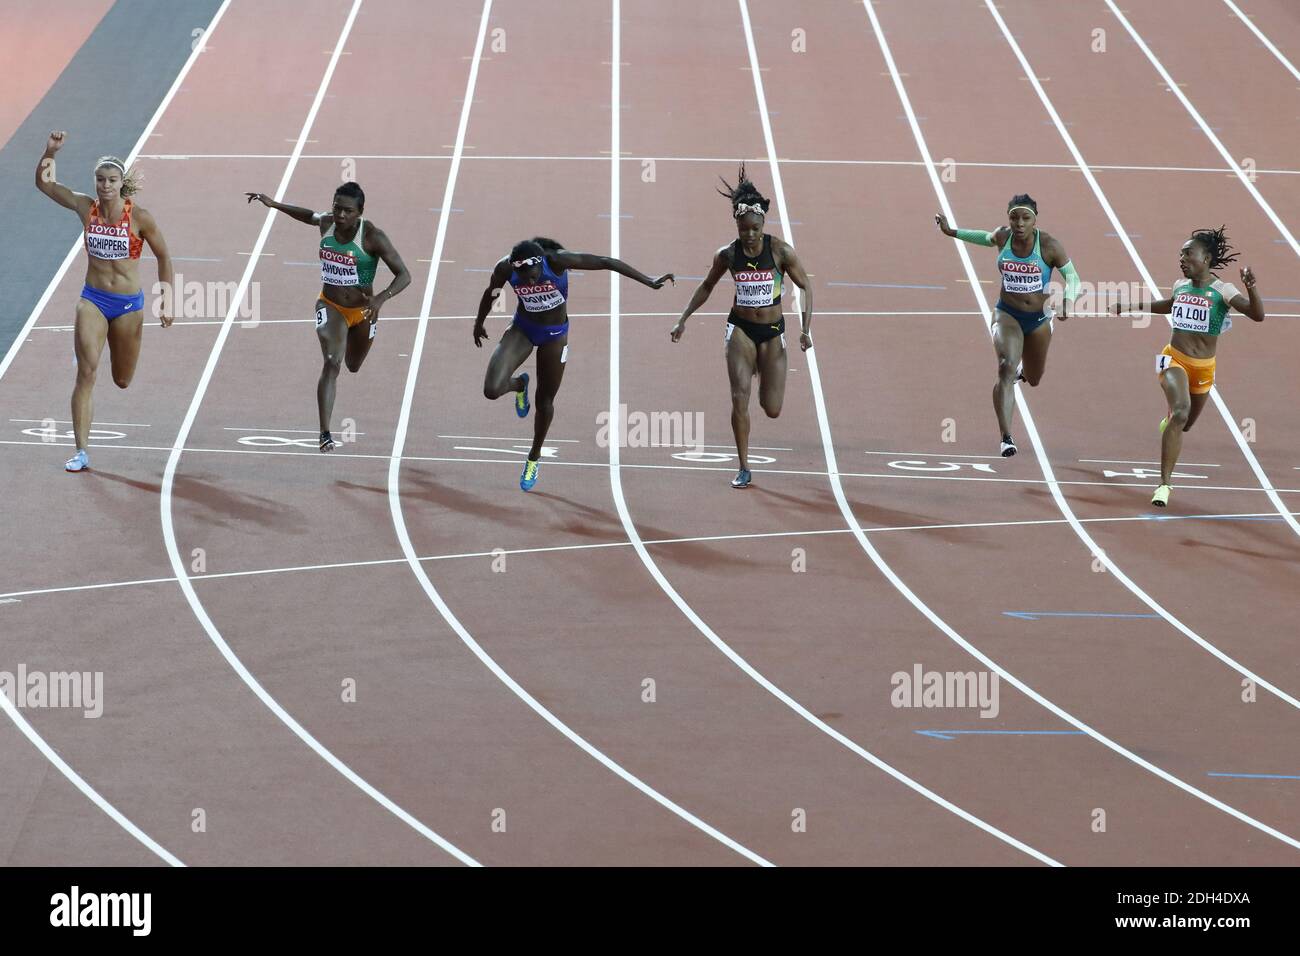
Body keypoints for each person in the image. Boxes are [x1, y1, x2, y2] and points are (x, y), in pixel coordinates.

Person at [473, 237, 673, 490]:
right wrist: (479, 322)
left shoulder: (557, 261)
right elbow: (492, 291)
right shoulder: (506, 267)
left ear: (540, 264)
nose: (531, 282)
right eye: (525, 279)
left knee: (544, 402)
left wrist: (648, 280)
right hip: (523, 329)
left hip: (555, 335)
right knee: (492, 389)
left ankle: (534, 456)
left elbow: (605, 261)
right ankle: (519, 385)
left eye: (534, 277)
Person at [35, 131, 173, 472]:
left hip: (127, 305)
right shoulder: (86, 208)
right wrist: (50, 151)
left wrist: (167, 299)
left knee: (122, 380)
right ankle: (81, 451)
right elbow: (46, 185)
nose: (105, 186)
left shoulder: (140, 218)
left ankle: (94, 349)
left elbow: (164, 255)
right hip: (93, 299)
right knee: (86, 373)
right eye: (100, 180)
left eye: (112, 180)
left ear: (121, 183)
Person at [671, 166, 812, 488]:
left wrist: (806, 329)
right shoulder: (727, 254)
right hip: (741, 330)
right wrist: (683, 318)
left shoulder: (780, 251)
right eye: (744, 228)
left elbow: (806, 288)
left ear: (763, 224)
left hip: (773, 332)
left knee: (772, 408)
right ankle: (744, 466)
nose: (749, 234)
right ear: (736, 223)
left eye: (755, 228)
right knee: (739, 396)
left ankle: (763, 368)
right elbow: (706, 286)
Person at [246, 182, 410, 451]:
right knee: (332, 362)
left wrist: (381, 298)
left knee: (353, 365)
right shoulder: (327, 223)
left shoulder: (372, 237)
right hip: (330, 306)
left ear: (360, 212)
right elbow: (308, 215)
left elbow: (405, 275)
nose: (340, 216)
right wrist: (274, 204)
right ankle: (324, 433)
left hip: (364, 310)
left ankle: (349, 346)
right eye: (337, 209)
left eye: (347, 211)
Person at [1114, 227, 1263, 507]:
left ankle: (1170, 419)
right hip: (1173, 359)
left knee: (1186, 424)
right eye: (1180, 255)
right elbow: (1168, 306)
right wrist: (1131, 306)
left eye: (1187, 254)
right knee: (1181, 413)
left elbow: (1258, 315)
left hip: (1204, 368)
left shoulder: (1222, 290)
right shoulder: (1180, 285)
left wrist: (1251, 287)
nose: (1182, 259)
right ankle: (1164, 485)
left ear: (1206, 258)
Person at [937, 194, 1080, 456]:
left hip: (1038, 320)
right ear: (1008, 219)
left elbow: (1073, 277)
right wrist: (952, 232)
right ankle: (1006, 437)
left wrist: (1068, 301)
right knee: (1005, 367)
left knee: (1034, 379)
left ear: (1035, 220)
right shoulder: (1003, 237)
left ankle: (1024, 371)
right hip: (1007, 315)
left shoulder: (1048, 245)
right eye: (1014, 217)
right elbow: (984, 237)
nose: (1019, 223)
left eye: (1026, 218)